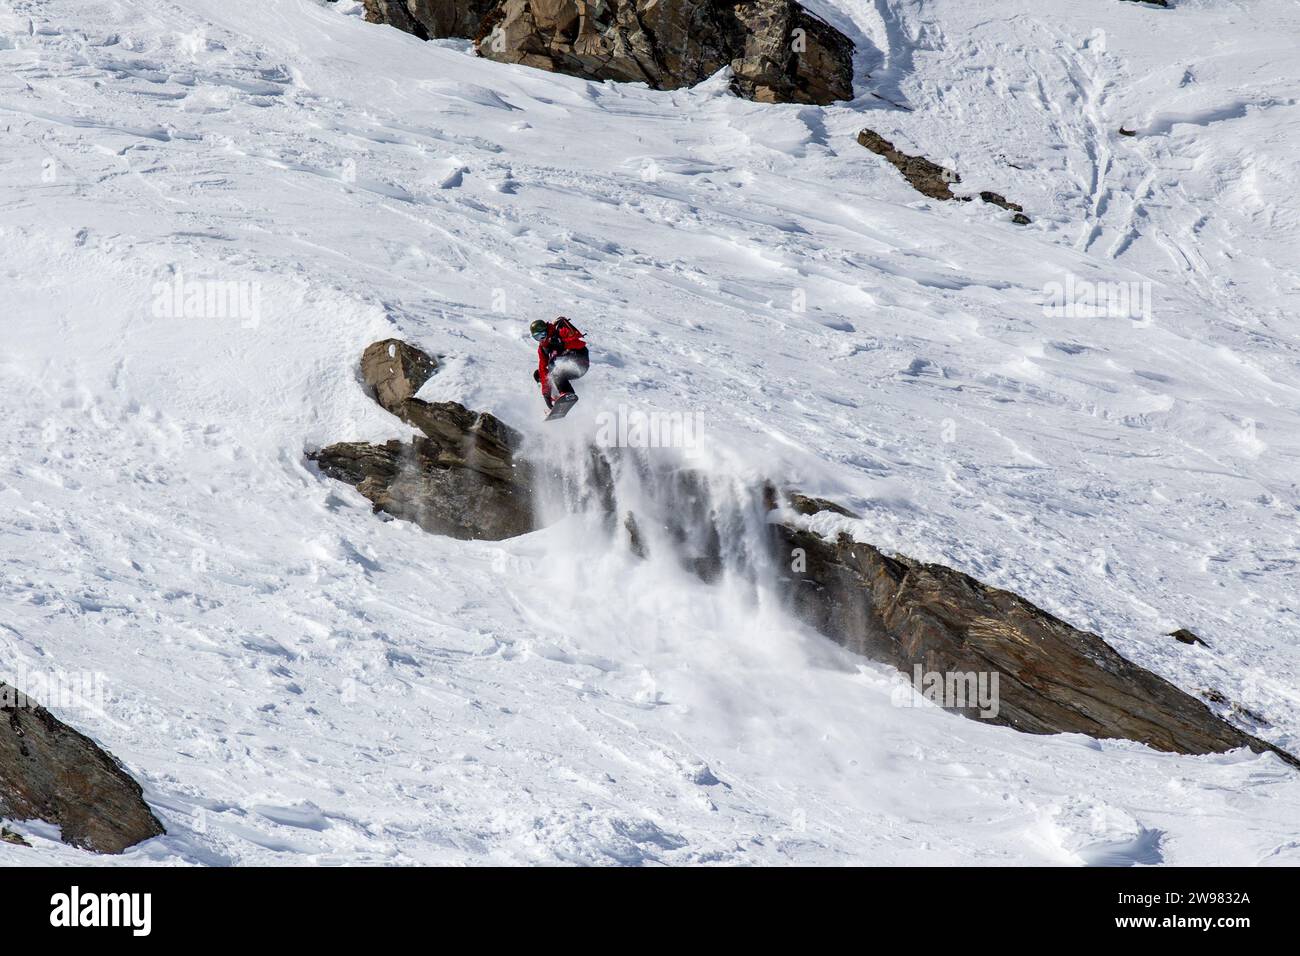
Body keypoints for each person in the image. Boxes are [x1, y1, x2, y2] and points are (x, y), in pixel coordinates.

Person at [530, 317, 588, 411]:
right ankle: (556, 398)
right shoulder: (543, 349)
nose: (541, 339)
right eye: (537, 337)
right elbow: (542, 369)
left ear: (547, 330)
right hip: (563, 368)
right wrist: (546, 394)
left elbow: (580, 344)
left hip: (580, 363)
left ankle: (567, 393)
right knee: (539, 374)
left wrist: (563, 343)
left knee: (555, 370)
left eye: (543, 334)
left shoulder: (559, 332)